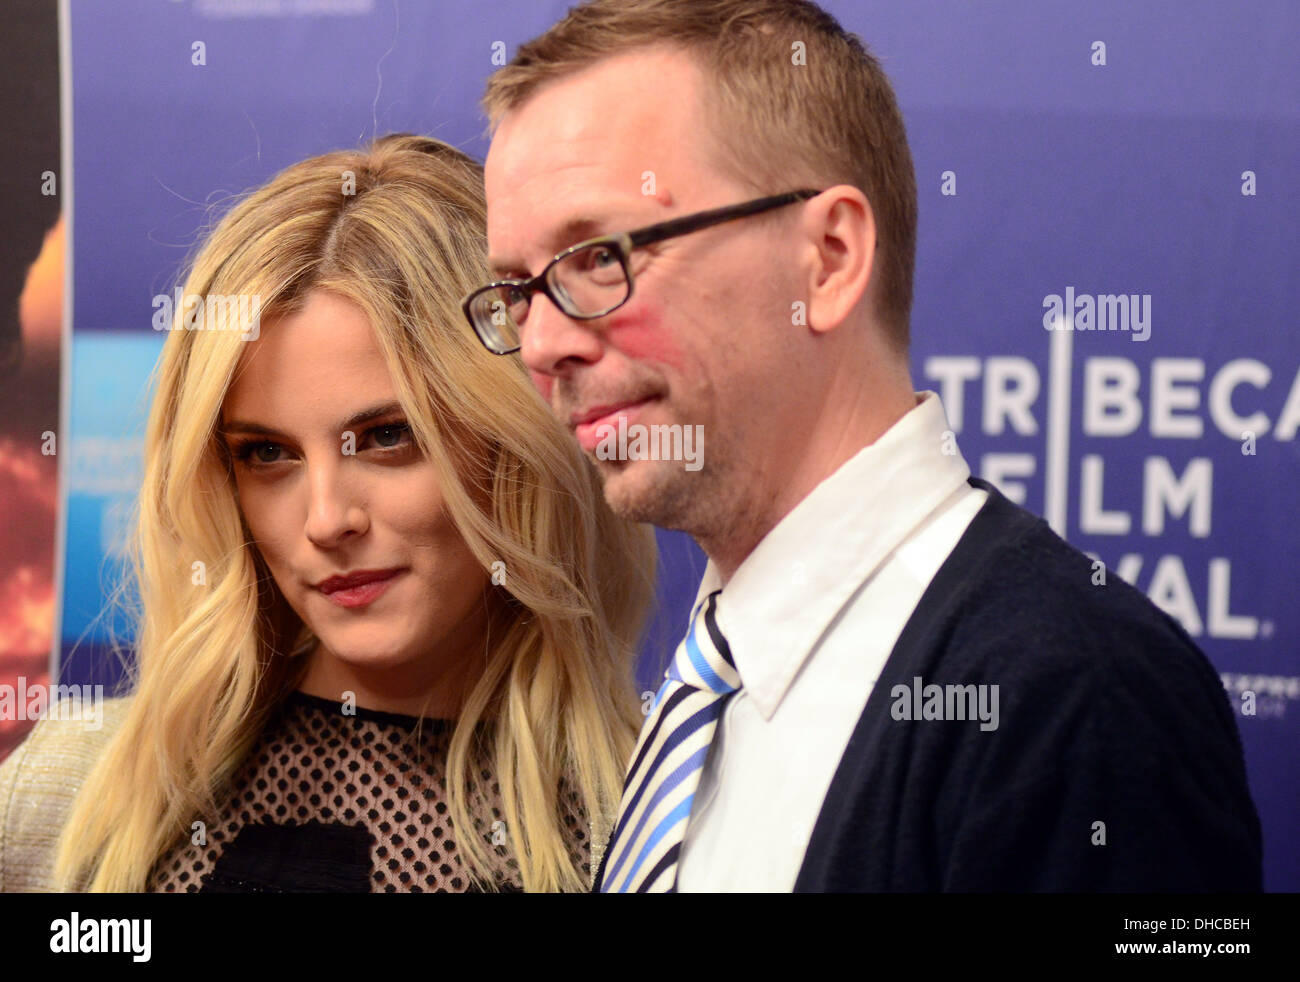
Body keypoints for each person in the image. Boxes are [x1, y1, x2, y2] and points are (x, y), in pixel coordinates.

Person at [463, 0, 1264, 891]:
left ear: (831, 258)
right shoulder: (708, 679)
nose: (540, 346)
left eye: (600, 257)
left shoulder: (1077, 699)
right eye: (517, 290)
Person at [0, 133, 656, 893]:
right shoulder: (67, 804)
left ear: (513, 444)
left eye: (386, 438)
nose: (325, 520)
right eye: (266, 454)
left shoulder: (650, 835)